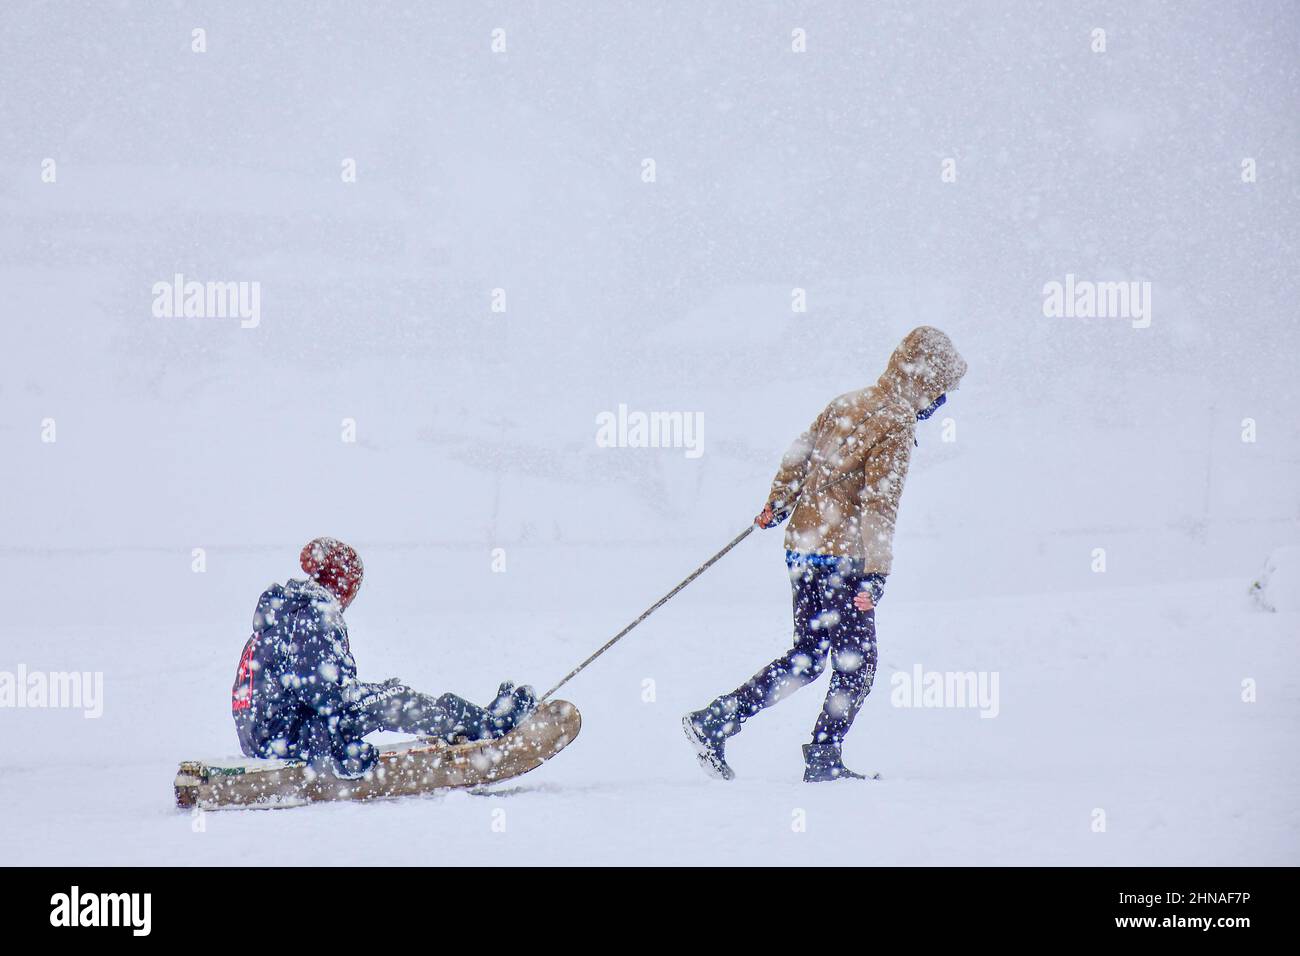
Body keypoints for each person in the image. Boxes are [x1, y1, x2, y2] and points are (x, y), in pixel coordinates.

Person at [683, 326, 967, 782]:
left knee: (810, 656)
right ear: (924, 382)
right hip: (843, 561)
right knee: (857, 664)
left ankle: (716, 721)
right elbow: (879, 503)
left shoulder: (847, 402)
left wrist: (778, 502)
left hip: (803, 549)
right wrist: (876, 573)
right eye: (941, 391)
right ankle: (823, 757)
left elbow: (799, 454)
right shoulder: (896, 421)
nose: (940, 402)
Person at [232, 537, 536, 778]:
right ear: (343, 584)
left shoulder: (287, 613)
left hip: (266, 735)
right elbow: (326, 695)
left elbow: (307, 688)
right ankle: (486, 726)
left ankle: (469, 721)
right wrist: (338, 746)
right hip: (291, 736)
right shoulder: (316, 612)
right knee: (394, 699)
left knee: (382, 695)